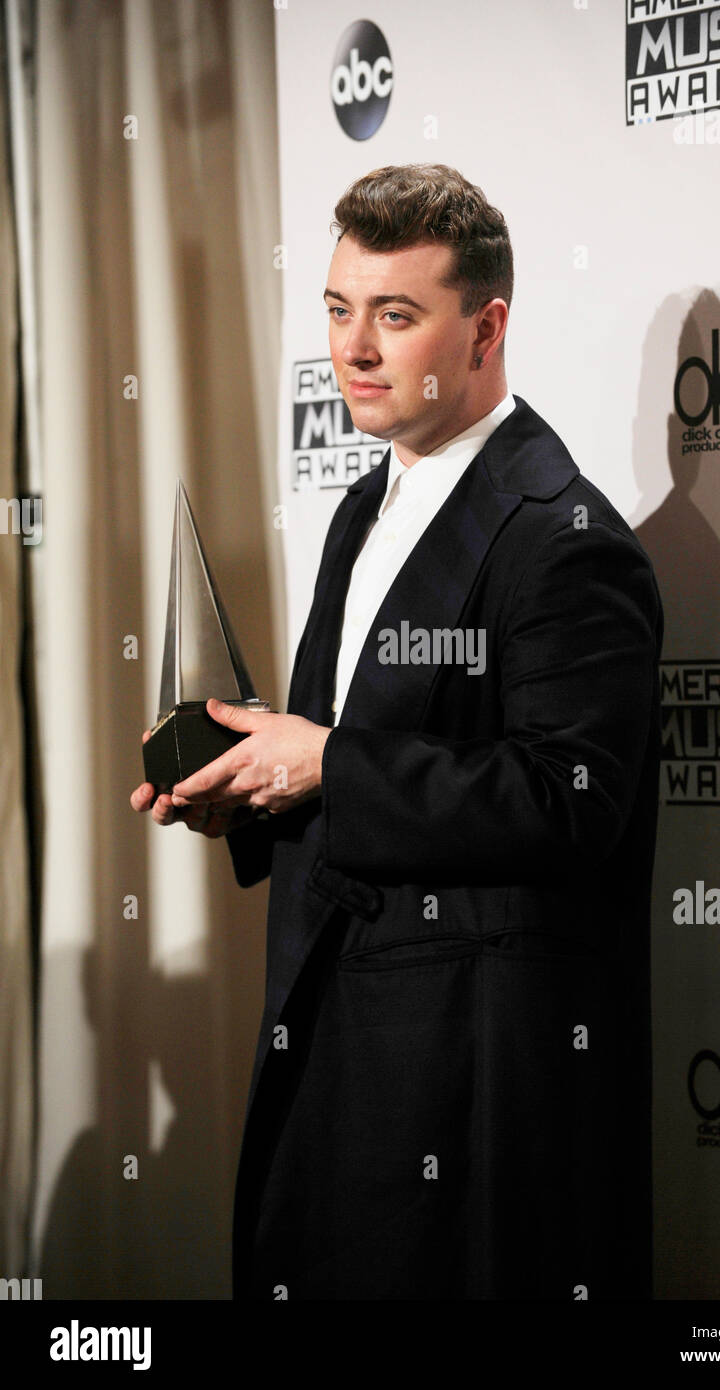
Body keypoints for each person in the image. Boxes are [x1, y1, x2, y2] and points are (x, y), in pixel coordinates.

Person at [131, 163, 663, 1301]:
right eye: (336, 309)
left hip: (469, 1105)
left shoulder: (565, 537)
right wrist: (253, 783)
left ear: (487, 328)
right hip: (334, 1061)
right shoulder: (362, 508)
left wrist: (324, 759)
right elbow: (355, 761)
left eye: (395, 315)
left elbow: (570, 798)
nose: (353, 349)